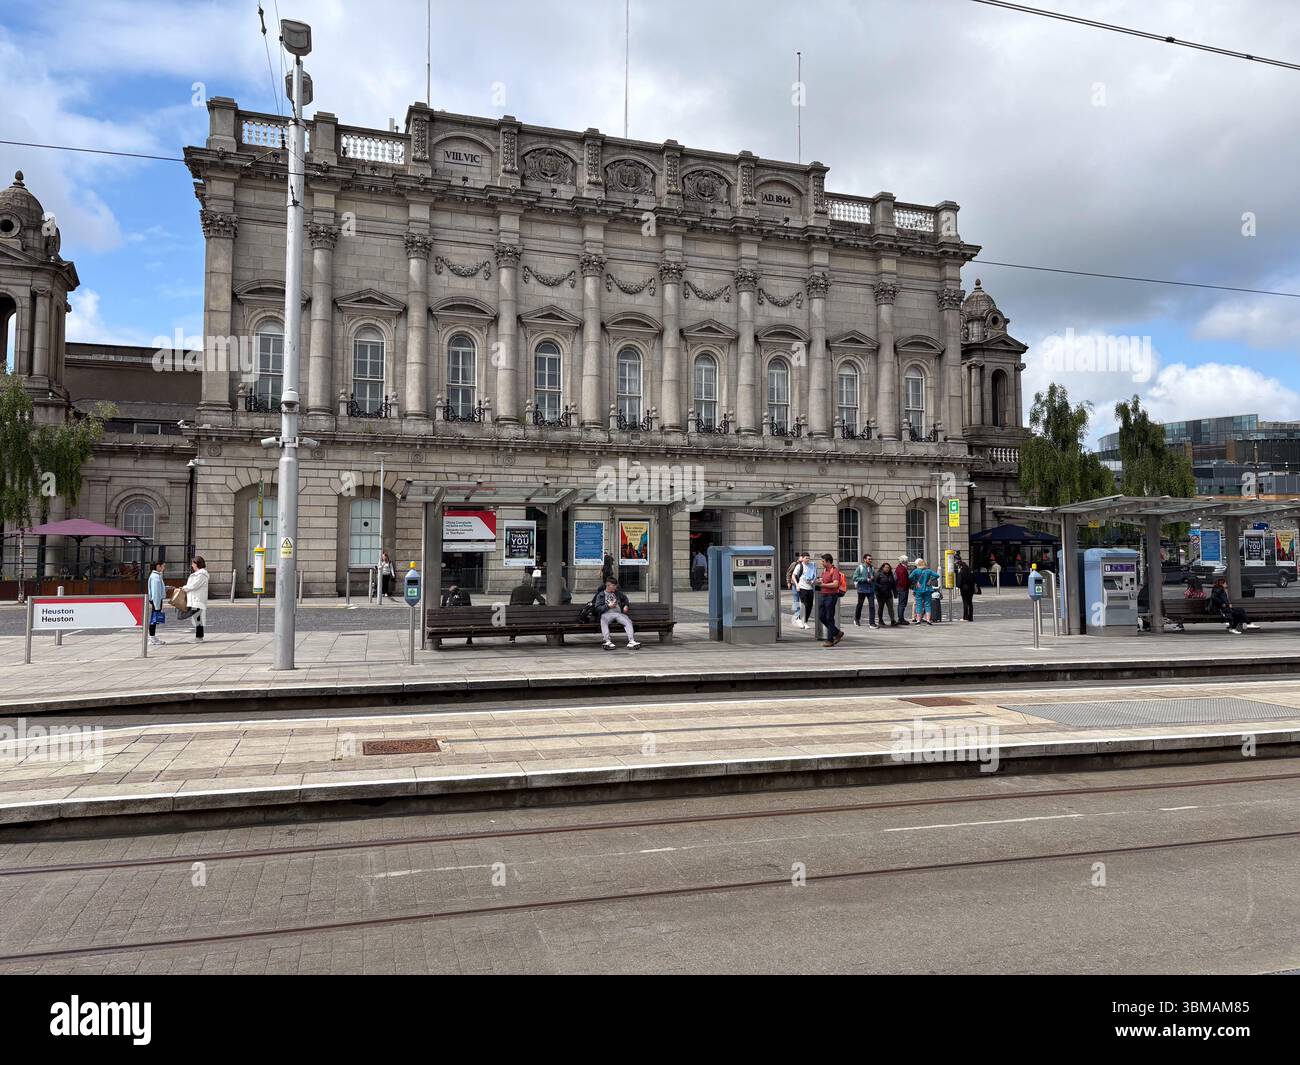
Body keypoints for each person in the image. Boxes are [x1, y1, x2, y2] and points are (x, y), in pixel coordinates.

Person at [592, 578, 640, 650]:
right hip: (606, 614)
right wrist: (608, 606)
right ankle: (607, 641)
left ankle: (631, 641)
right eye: (613, 585)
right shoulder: (601, 595)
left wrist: (626, 605)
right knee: (603, 620)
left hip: (618, 614)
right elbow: (597, 608)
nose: (615, 587)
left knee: (627, 621)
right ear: (608, 585)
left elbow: (625, 599)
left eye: (616, 585)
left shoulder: (618, 593)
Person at [816, 553, 845, 647]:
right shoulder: (824, 570)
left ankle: (830, 640)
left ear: (828, 562)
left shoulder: (835, 571)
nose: (822, 563)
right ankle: (837, 632)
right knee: (821, 616)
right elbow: (823, 580)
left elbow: (835, 584)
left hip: (831, 596)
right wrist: (818, 581)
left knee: (829, 617)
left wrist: (823, 585)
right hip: (823, 595)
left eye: (823, 561)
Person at [180, 555, 209, 641]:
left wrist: (184, 588)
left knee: (196, 617)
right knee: (197, 618)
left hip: (197, 600)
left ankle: (199, 636)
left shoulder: (202, 575)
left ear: (197, 564)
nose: (192, 565)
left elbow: (194, 585)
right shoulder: (198, 574)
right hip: (194, 599)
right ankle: (199, 636)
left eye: (193, 563)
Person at [909, 558, 939, 625]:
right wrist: (930, 580)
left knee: (918, 605)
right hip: (927, 589)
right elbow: (937, 575)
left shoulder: (916, 571)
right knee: (927, 605)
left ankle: (918, 620)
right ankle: (928, 620)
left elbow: (910, 577)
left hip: (918, 590)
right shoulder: (928, 571)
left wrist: (916, 581)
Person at [793, 550, 817, 630]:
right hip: (802, 588)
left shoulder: (812, 566)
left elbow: (814, 575)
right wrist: (797, 585)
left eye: (808, 558)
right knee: (804, 605)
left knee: (810, 606)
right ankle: (800, 619)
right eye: (806, 558)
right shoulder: (799, 566)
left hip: (810, 588)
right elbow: (793, 576)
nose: (808, 560)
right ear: (802, 558)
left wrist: (814, 581)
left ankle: (804, 621)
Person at [851, 553, 877, 627]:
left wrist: (873, 579)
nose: (870, 560)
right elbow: (855, 577)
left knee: (872, 606)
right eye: (869, 559)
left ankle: (872, 623)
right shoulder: (860, 567)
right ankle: (856, 619)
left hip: (870, 590)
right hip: (862, 589)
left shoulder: (872, 568)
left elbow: (874, 578)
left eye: (871, 559)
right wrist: (865, 579)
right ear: (865, 559)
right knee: (860, 605)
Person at [147, 560, 167, 647]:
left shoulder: (156, 576)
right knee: (154, 619)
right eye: (163, 566)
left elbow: (159, 588)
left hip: (156, 600)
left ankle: (153, 637)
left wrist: (167, 588)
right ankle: (152, 637)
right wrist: (157, 605)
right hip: (156, 600)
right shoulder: (155, 577)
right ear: (158, 566)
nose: (164, 568)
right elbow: (155, 592)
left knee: (154, 619)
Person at [894, 556, 910, 623]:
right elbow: (904, 580)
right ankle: (901, 619)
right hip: (903, 588)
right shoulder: (902, 569)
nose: (908, 562)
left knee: (901, 603)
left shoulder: (898, 568)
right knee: (902, 604)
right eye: (907, 561)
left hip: (899, 587)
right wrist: (908, 585)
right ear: (904, 561)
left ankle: (901, 618)